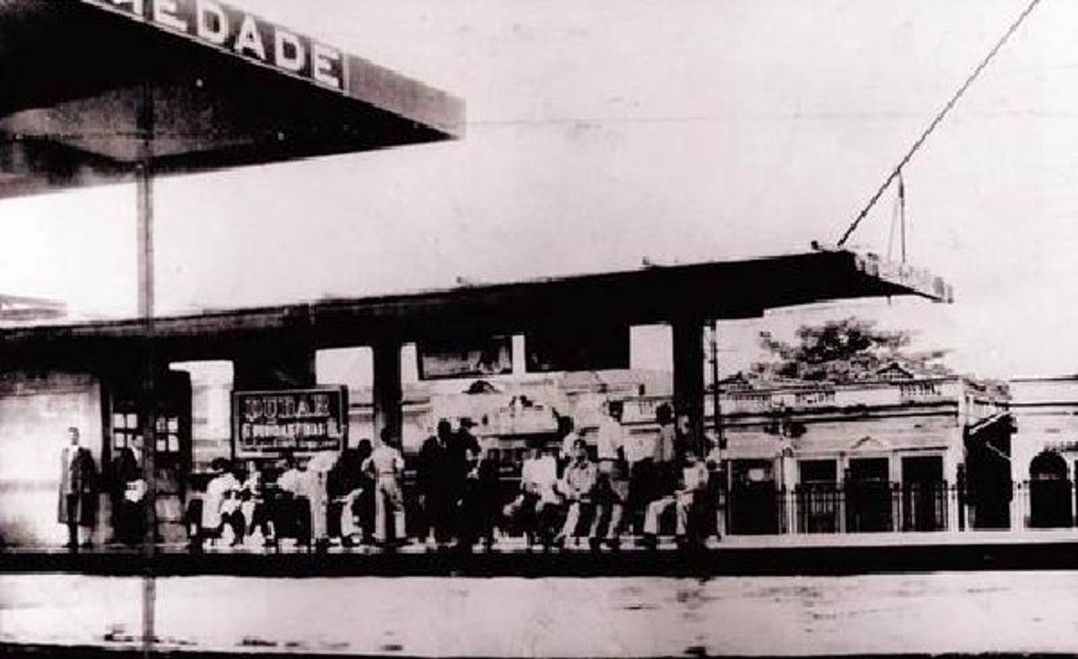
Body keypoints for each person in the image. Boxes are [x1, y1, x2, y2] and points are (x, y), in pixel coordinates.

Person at [642, 447, 711, 549]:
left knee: (681, 505)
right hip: (678, 494)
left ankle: (681, 534)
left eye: (690, 456)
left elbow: (702, 485)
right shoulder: (682, 469)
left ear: (696, 457)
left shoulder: (702, 469)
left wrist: (684, 491)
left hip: (693, 496)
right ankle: (650, 534)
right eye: (686, 456)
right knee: (654, 505)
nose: (688, 458)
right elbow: (677, 485)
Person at [504, 444, 561, 545]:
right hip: (529, 495)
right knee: (509, 509)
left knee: (539, 507)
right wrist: (525, 491)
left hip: (544, 493)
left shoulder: (549, 461)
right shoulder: (527, 464)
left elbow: (551, 481)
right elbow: (524, 483)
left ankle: (541, 535)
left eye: (536, 449)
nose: (534, 452)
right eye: (531, 449)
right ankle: (527, 534)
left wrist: (538, 488)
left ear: (541, 450)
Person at [590, 400, 629, 550]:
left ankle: (594, 533)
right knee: (619, 501)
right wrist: (624, 466)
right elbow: (619, 448)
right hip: (613, 464)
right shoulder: (616, 426)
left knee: (602, 502)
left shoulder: (603, 426)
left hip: (601, 464)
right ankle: (611, 535)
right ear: (618, 412)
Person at [363, 427, 406, 547]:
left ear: (381, 438)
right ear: (390, 437)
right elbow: (401, 466)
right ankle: (399, 534)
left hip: (379, 479)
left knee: (380, 509)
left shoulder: (375, 452)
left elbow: (364, 466)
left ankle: (381, 536)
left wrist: (372, 475)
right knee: (398, 507)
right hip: (390, 477)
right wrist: (398, 475)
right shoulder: (394, 451)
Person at [553, 438, 597, 547]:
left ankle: (564, 533)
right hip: (571, 498)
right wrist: (568, 492)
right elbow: (564, 484)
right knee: (572, 505)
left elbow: (590, 485)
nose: (578, 451)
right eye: (575, 448)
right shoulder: (569, 468)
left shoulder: (592, 467)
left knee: (575, 507)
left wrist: (576, 494)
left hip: (586, 499)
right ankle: (564, 533)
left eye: (580, 448)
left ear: (585, 451)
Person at [58, 427, 98, 550]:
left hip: (80, 488)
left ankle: (87, 540)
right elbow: (64, 471)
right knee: (69, 515)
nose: (72, 438)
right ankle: (72, 540)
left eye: (74, 435)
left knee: (83, 514)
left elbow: (91, 471)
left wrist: (87, 486)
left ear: (78, 436)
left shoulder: (85, 452)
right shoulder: (64, 452)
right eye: (70, 436)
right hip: (67, 488)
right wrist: (62, 486)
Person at [200, 458, 245, 548]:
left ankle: (235, 538)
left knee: (225, 520)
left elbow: (233, 493)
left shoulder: (228, 479)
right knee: (222, 521)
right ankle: (231, 538)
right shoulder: (216, 481)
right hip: (218, 505)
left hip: (226, 505)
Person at [110, 445, 145, 546]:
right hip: (129, 492)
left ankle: (126, 538)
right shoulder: (128, 461)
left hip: (126, 491)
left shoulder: (119, 462)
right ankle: (131, 538)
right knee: (130, 515)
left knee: (127, 516)